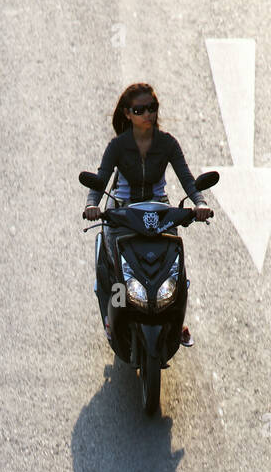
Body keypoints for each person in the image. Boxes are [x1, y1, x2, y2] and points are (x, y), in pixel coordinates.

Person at [83, 84, 213, 347]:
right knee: (117, 271)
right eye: (139, 110)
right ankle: (113, 313)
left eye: (151, 108)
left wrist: (199, 202)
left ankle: (176, 317)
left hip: (159, 212)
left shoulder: (168, 144)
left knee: (175, 265)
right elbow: (99, 182)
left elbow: (188, 180)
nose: (147, 114)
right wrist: (92, 205)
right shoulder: (117, 146)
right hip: (122, 212)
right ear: (127, 114)